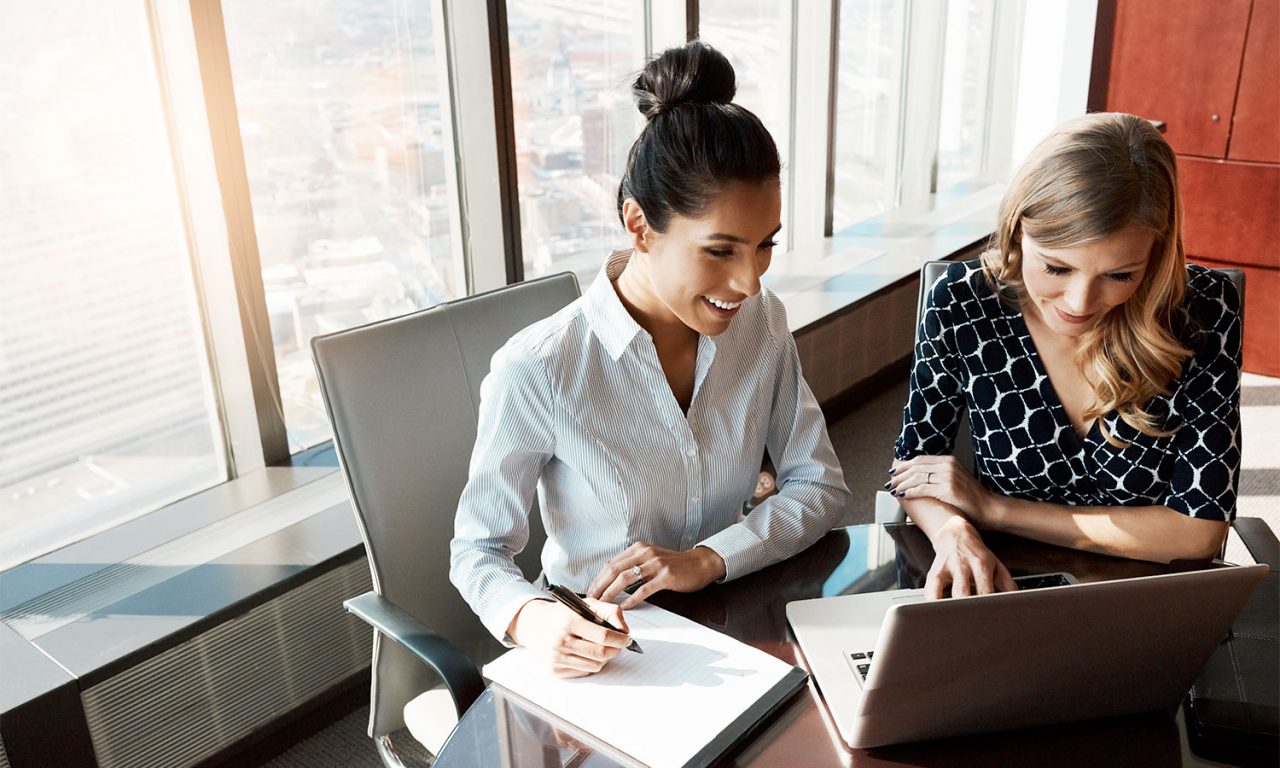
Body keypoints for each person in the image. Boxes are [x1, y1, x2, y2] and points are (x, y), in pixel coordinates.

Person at [450, 41, 849, 677]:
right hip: (612, 653)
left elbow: (820, 484)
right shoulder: (540, 369)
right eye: (720, 251)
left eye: (764, 246)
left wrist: (710, 558)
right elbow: (478, 550)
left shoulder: (761, 320)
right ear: (639, 225)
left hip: (741, 619)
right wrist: (534, 619)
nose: (749, 282)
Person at [888, 112, 1242, 599]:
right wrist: (954, 530)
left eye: (1120, 275)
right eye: (1056, 267)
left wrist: (994, 510)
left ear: (1155, 256)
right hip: (1000, 585)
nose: (1079, 303)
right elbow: (916, 464)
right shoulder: (963, 301)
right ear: (1018, 232)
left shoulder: (1203, 310)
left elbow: (1199, 533)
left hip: (1148, 596)